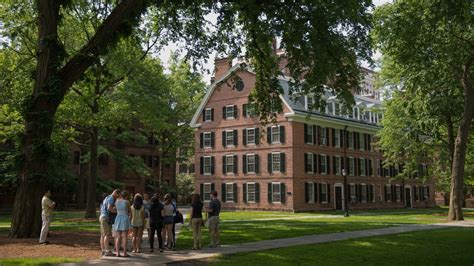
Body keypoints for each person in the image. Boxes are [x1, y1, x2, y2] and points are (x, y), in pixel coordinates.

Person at [99, 189, 120, 256]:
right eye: (118, 196)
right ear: (116, 193)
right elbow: (109, 208)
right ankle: (107, 251)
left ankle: (103, 250)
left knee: (103, 234)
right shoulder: (111, 198)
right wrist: (118, 212)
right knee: (107, 235)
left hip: (102, 216)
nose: (117, 197)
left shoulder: (107, 197)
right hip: (105, 217)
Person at [113, 191, 131, 257]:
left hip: (118, 217)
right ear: (126, 196)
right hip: (125, 218)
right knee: (125, 236)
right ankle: (124, 253)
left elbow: (114, 208)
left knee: (118, 236)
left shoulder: (117, 201)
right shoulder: (127, 202)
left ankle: (117, 253)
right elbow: (130, 211)